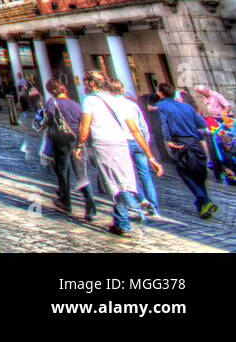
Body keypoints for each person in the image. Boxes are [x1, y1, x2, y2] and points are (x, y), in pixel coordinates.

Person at [76, 70, 162, 237]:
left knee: (112, 183)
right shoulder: (123, 103)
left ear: (92, 83)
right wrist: (150, 155)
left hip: (103, 145)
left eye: (85, 81)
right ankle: (123, 220)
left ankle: (134, 207)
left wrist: (79, 145)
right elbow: (135, 130)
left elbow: (84, 126)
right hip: (122, 144)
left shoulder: (90, 100)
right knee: (123, 180)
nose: (84, 84)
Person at [155, 83, 219, 218]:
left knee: (185, 173)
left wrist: (168, 141)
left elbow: (164, 124)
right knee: (198, 173)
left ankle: (205, 200)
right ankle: (202, 207)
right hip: (194, 142)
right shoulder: (186, 106)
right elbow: (201, 123)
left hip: (180, 142)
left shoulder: (161, 106)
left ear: (160, 93)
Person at [43, 78, 97, 220]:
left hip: (61, 141)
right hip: (77, 140)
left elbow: (48, 120)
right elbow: (83, 123)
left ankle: (65, 201)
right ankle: (91, 209)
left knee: (62, 171)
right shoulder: (75, 105)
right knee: (81, 175)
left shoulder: (52, 103)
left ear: (52, 91)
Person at [110, 78, 158, 219]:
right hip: (139, 140)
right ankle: (153, 205)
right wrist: (145, 142)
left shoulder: (110, 104)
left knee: (127, 174)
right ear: (122, 90)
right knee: (145, 174)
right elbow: (143, 126)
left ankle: (142, 200)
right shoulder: (132, 105)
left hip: (123, 141)